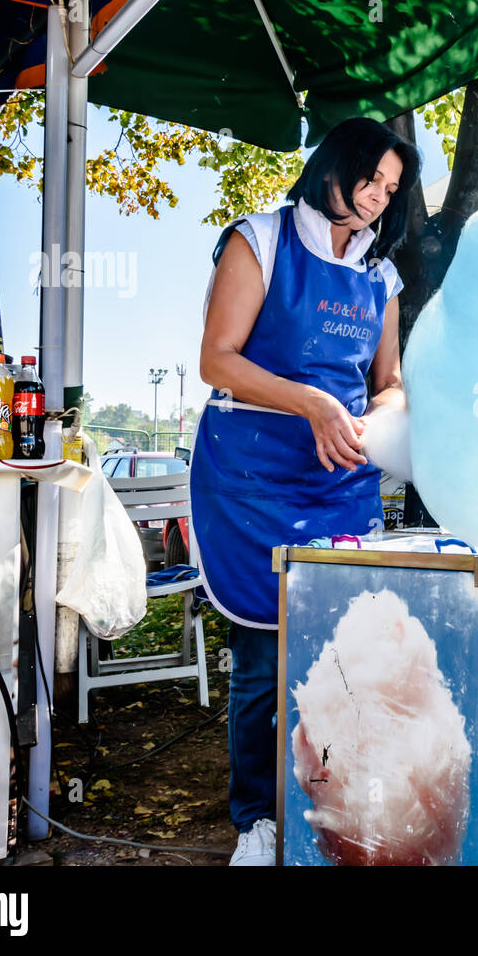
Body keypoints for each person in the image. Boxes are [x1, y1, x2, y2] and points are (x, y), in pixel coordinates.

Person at [193, 118, 421, 865]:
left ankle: (327, 805)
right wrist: (313, 404)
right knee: (262, 657)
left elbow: (387, 385)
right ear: (335, 166)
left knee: (341, 654)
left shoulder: (381, 277)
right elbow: (217, 360)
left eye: (391, 189)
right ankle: (257, 820)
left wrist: (372, 419)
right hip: (252, 476)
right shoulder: (258, 241)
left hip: (337, 483)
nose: (379, 198)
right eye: (372, 179)